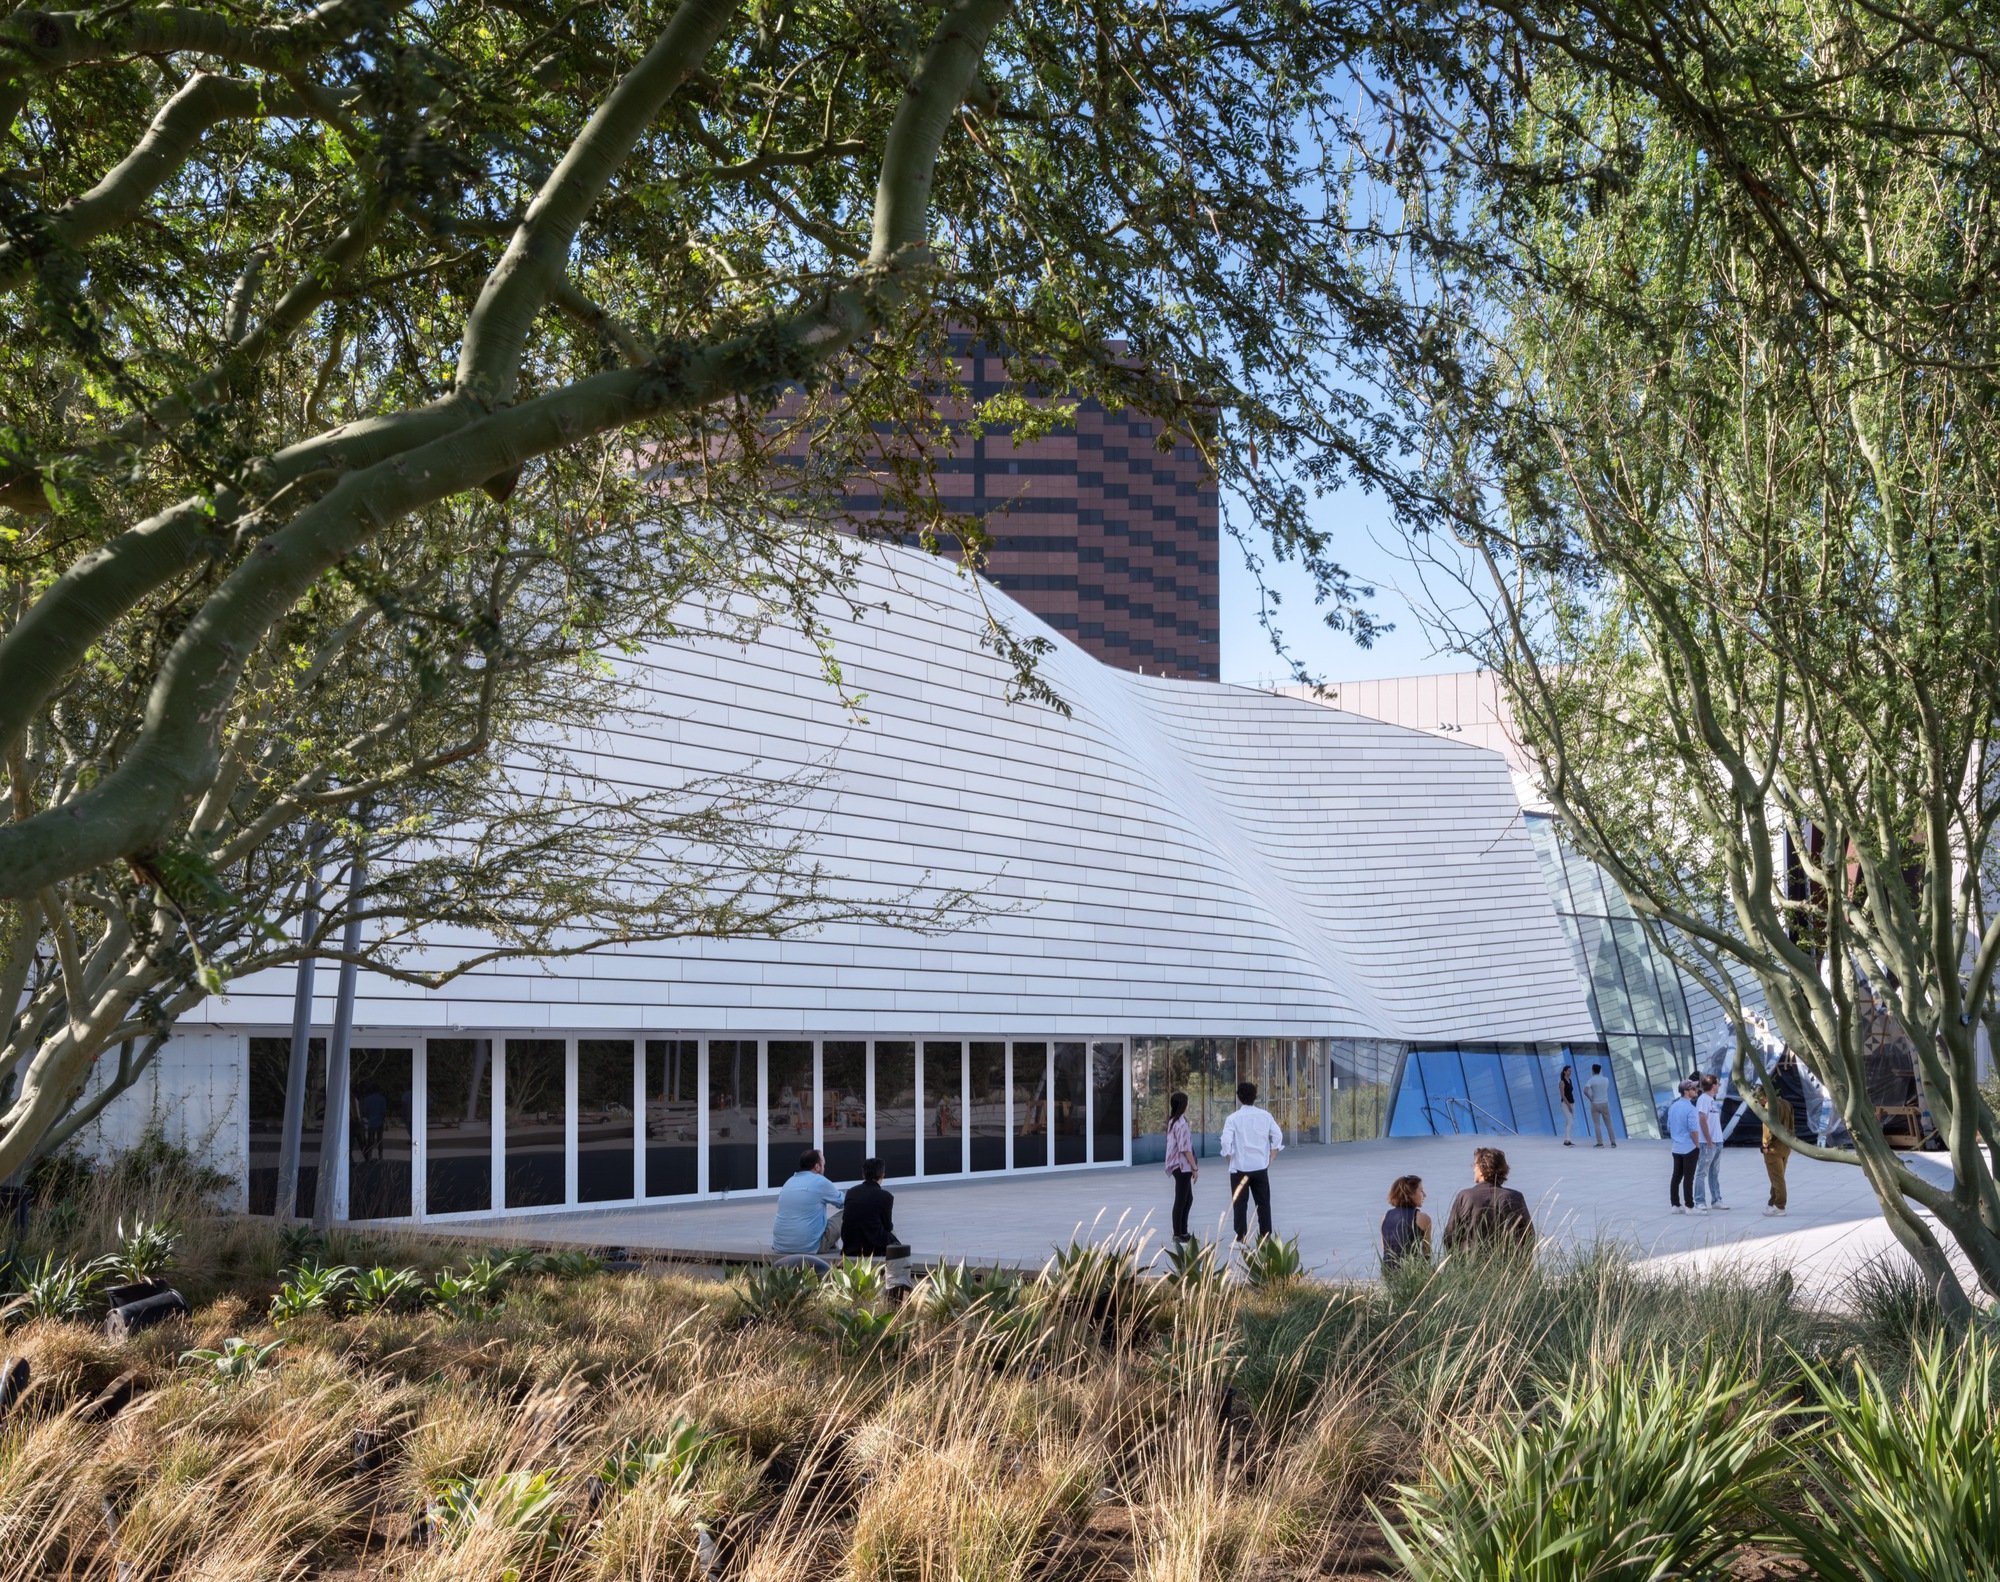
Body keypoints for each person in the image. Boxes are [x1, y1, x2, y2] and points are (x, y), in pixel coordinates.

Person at [1219, 1081, 1284, 1242]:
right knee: (1263, 1203)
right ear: (1255, 1097)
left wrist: (1229, 1159)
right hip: (1260, 1166)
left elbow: (1225, 1142)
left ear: (1239, 1098)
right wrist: (1271, 1156)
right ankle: (1265, 1236)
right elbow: (1278, 1136)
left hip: (1239, 1167)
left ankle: (1241, 1238)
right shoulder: (1265, 1116)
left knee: (1240, 1204)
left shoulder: (1232, 1118)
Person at [1442, 1146, 1536, 1253]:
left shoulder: (1465, 1196)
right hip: (1506, 1265)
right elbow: (1528, 1236)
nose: (1473, 1169)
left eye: (1475, 1165)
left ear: (1482, 1168)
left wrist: (1457, 1260)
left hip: (1471, 1265)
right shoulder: (1515, 1197)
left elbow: (1450, 1235)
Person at [771, 1148, 845, 1257]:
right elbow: (846, 1202)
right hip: (809, 1246)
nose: (824, 1168)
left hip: (781, 1246)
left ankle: (831, 1248)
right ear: (817, 1167)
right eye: (824, 1165)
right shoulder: (820, 1181)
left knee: (823, 1224)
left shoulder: (789, 1182)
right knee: (852, 1209)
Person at [840, 1157, 898, 1255]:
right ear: (882, 1176)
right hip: (874, 1247)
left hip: (850, 1246)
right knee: (896, 1243)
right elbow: (888, 1226)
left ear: (863, 1175)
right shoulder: (886, 1196)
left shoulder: (851, 1192)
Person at [1163, 1091, 1198, 1243]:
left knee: (1187, 1199)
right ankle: (1178, 1234)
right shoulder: (1181, 1125)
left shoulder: (1173, 1121)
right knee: (1181, 1200)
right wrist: (1194, 1168)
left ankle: (1183, 1232)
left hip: (1177, 1165)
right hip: (1182, 1166)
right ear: (1183, 1106)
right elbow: (1185, 1149)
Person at [1380, 1175, 1432, 1270]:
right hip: (1412, 1271)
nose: (1424, 1195)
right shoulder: (1423, 1218)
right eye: (1421, 1190)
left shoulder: (1385, 1217)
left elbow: (1385, 1249)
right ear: (1411, 1193)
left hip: (1388, 1270)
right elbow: (1427, 1253)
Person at [1757, 1083, 1793, 1216]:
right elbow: (1792, 1123)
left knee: (1777, 1178)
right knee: (1778, 1176)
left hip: (1774, 1148)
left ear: (1762, 1096)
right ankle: (1772, 1203)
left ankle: (1780, 1206)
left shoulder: (1769, 1106)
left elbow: (1768, 1128)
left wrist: (1765, 1144)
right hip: (1786, 1146)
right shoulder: (1786, 1103)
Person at [1666, 1079, 1701, 1213]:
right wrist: (1698, 1145)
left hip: (1676, 1147)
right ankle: (1690, 1206)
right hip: (1689, 1147)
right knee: (1688, 1177)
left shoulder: (1673, 1106)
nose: (1696, 1091)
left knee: (1676, 1176)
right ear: (1686, 1092)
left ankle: (1675, 1205)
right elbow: (1693, 1130)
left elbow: (1669, 1126)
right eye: (1693, 1089)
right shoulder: (1691, 1109)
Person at [1695, 1073, 1729, 1210]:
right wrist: (1709, 1139)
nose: (1719, 1086)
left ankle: (1716, 1199)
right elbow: (1702, 1120)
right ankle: (1699, 1201)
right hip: (1708, 1143)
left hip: (1717, 1141)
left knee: (1714, 1172)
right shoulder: (1703, 1099)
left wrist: (1719, 1139)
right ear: (1713, 1085)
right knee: (1702, 1172)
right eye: (1718, 1084)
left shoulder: (1711, 1100)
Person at [1581, 1062, 1616, 1148]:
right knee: (1608, 1124)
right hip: (1604, 1103)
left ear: (1593, 1070)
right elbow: (1606, 1090)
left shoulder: (1591, 1080)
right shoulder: (1606, 1079)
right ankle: (1613, 1142)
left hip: (1595, 1104)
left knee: (1597, 1124)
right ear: (1600, 1070)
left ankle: (1600, 1143)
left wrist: (1590, 1097)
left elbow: (1585, 1091)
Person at [1558, 1064, 1577, 1146]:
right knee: (1570, 1121)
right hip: (1566, 1104)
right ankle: (1567, 1140)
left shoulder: (1570, 1080)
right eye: (1569, 1070)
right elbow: (1563, 1095)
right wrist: (1568, 1105)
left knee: (1568, 1122)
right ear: (1565, 1071)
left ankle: (1567, 1140)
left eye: (1571, 1070)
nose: (1570, 1072)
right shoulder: (1562, 1082)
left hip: (1572, 1102)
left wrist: (1571, 1104)